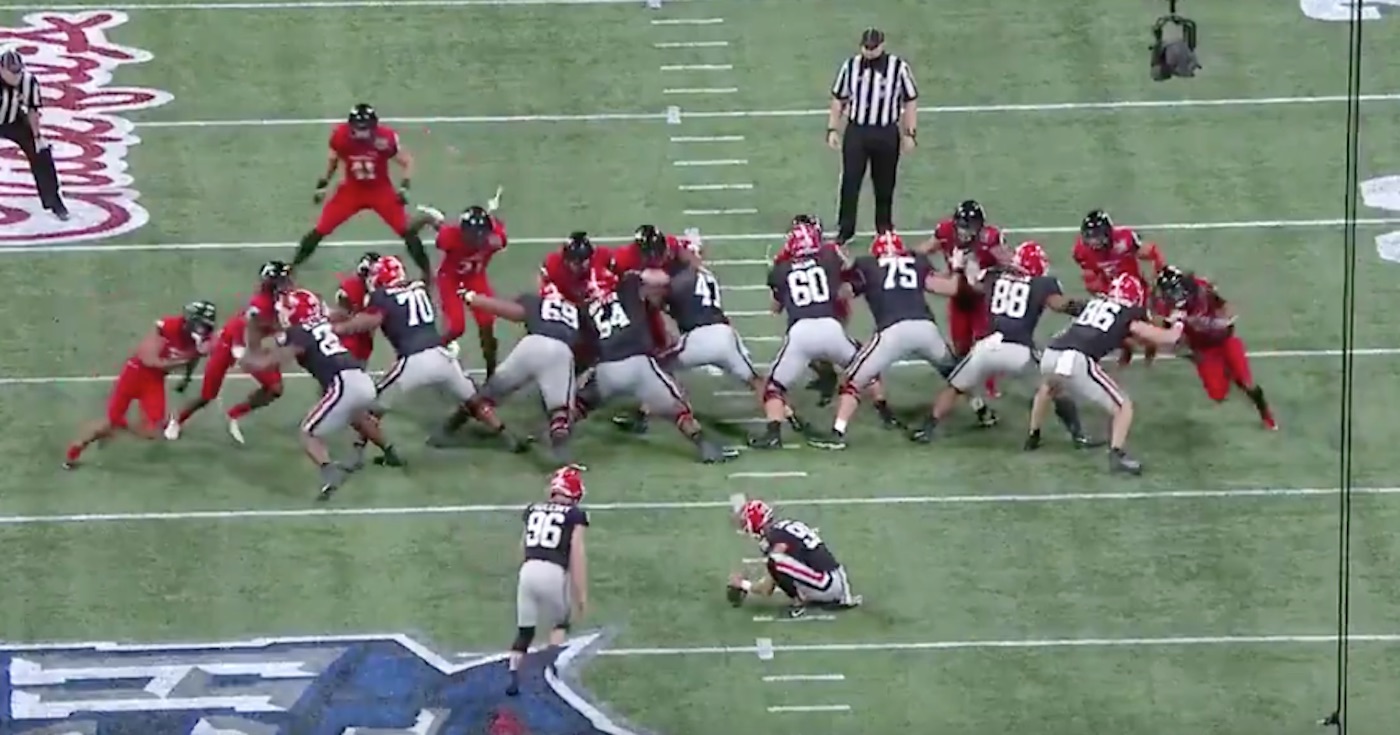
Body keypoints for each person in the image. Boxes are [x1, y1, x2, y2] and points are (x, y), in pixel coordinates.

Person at [827, 28, 918, 244]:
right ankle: (845, 229)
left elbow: (910, 99)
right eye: (866, 48)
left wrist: (909, 132)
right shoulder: (850, 66)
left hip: (886, 131)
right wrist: (832, 128)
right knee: (850, 181)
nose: (869, 52)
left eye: (873, 47)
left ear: (882, 45)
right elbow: (838, 98)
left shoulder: (898, 67)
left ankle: (884, 229)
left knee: (885, 183)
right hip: (857, 131)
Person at [0, 48, 67, 220]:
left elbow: (32, 110)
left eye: (18, 71)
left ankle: (54, 200)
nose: (16, 76)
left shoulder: (28, 81)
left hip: (14, 120)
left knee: (41, 152)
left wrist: (37, 137)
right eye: (11, 72)